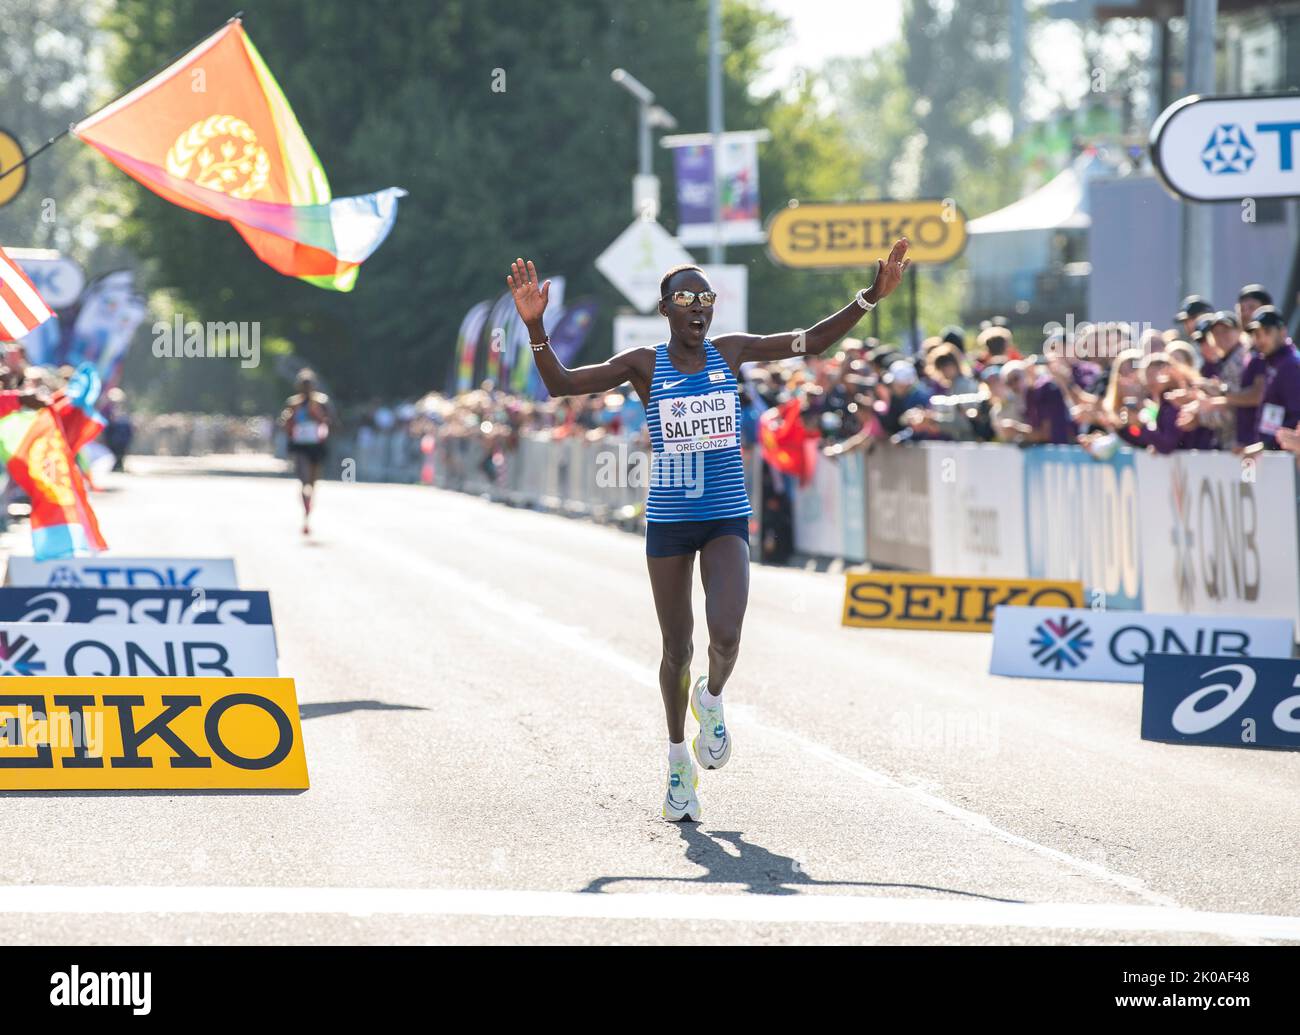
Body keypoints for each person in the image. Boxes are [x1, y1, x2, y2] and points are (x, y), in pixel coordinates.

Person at [507, 239, 912, 821]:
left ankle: (712, 698)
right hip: (670, 521)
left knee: (726, 634)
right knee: (677, 647)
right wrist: (535, 327)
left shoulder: (733, 350)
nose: (698, 307)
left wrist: (871, 296)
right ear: (666, 309)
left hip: (724, 516)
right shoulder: (643, 364)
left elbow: (812, 341)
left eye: (706, 298)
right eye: (686, 298)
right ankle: (677, 762)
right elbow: (563, 385)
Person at [278, 368, 335, 535]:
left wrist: (319, 418)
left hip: (316, 446)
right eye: (303, 385)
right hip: (300, 446)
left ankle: (308, 512)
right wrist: (289, 422)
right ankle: (305, 514)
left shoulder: (322, 402)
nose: (306, 389)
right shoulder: (293, 403)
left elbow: (332, 422)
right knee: (304, 481)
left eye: (309, 385)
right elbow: (284, 423)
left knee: (313, 482)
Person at [1247, 307, 1300, 449]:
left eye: (1267, 332)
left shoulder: (1291, 365)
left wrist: (1268, 445)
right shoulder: (1271, 363)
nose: (1261, 338)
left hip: (1288, 455)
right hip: (1276, 453)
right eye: (1257, 333)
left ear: (1283, 332)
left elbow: (1296, 416)